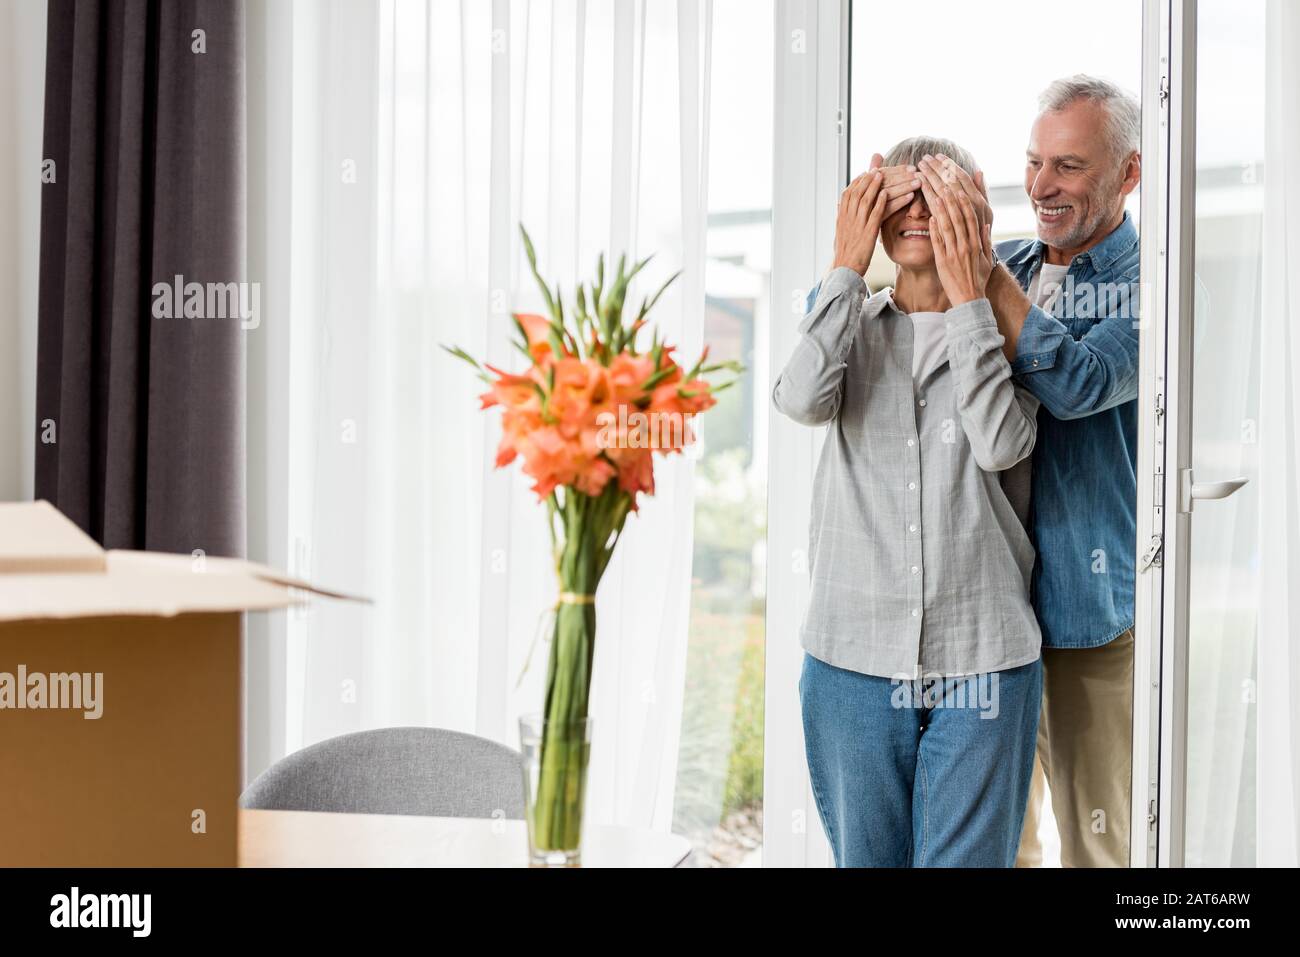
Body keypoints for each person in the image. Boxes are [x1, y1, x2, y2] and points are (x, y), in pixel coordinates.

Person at [772, 136, 1043, 867]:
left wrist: (970, 297)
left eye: (938, 196)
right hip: (851, 659)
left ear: (973, 207)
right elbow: (799, 401)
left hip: (985, 657)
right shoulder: (846, 324)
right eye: (899, 197)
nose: (918, 212)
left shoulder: (1007, 328)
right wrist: (846, 263)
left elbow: (1001, 444)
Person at [915, 75, 1142, 868]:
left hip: (1085, 615)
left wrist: (982, 277)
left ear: (1129, 174)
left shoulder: (1152, 288)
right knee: (997, 841)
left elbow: (1077, 383)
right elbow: (887, 315)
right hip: (986, 615)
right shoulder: (1000, 262)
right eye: (1034, 161)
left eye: (1069, 166)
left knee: (1097, 841)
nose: (1042, 185)